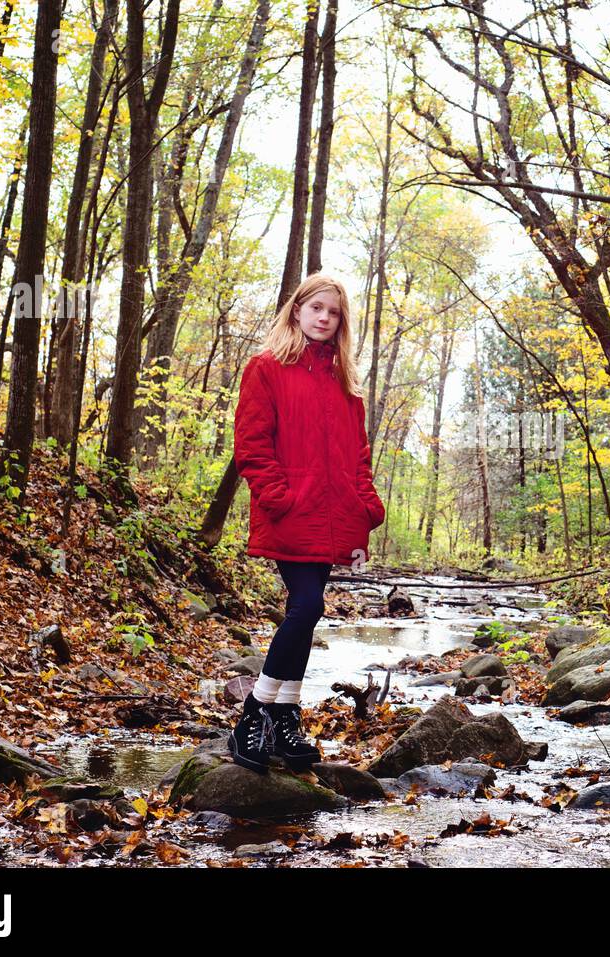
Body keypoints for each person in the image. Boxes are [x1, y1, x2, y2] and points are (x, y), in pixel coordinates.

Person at [229, 273, 386, 773]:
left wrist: (366, 512)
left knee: (309, 612)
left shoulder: (346, 385)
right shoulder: (266, 369)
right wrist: (280, 497)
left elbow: (357, 461)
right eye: (316, 307)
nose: (323, 317)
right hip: (291, 514)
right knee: (306, 605)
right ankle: (255, 713)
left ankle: (284, 717)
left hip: (335, 519)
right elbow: (252, 447)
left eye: (333, 312)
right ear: (296, 310)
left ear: (341, 323)